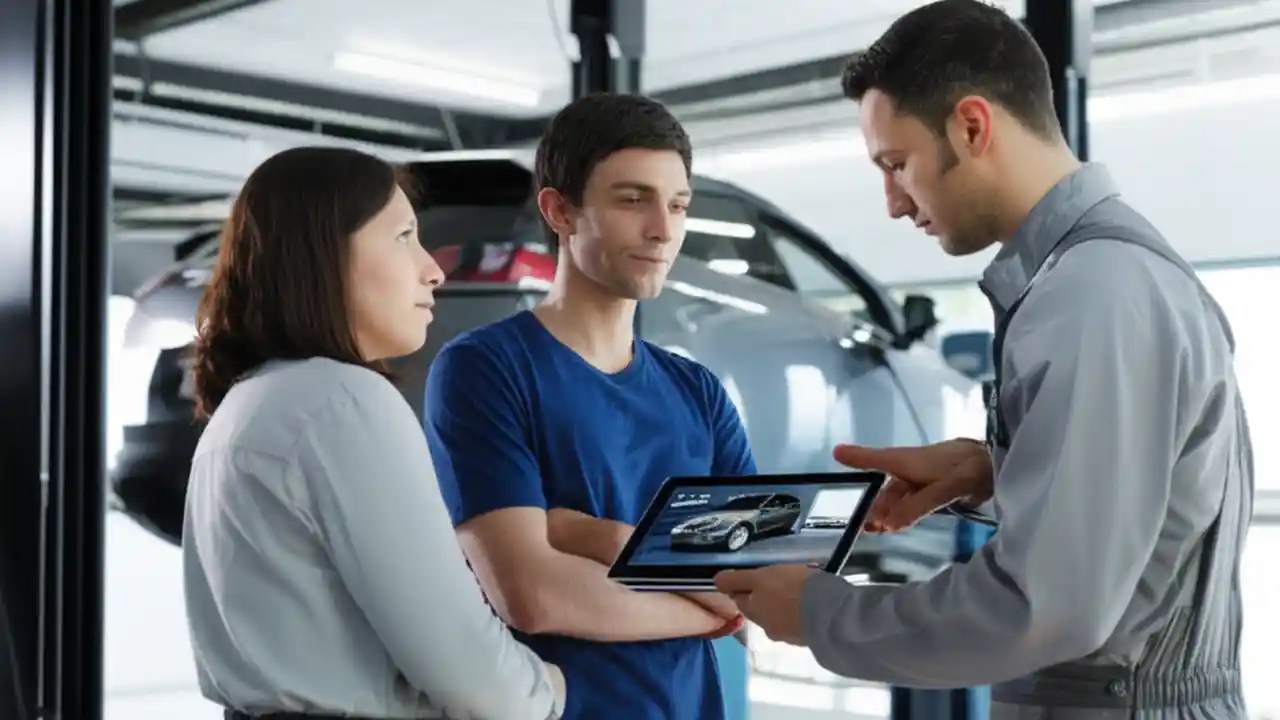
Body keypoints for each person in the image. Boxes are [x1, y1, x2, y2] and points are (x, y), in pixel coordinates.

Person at [714, 1, 1254, 718]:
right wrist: (992, 469)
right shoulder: (1107, 275)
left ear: (972, 126)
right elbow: (1151, 502)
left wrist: (824, 614)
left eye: (896, 164)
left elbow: (1045, 606)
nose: (893, 204)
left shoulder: (1092, 295)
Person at [183, 146, 566, 720]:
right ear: (325, 256)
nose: (432, 268)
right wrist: (551, 688)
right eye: (403, 237)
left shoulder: (247, 403)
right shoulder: (341, 402)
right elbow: (470, 671)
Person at [423, 93, 753, 720]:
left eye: (677, 204)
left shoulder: (700, 392)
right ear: (560, 211)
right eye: (633, 200)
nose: (663, 229)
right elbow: (534, 594)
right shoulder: (484, 370)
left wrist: (589, 533)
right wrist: (702, 607)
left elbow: (751, 583)